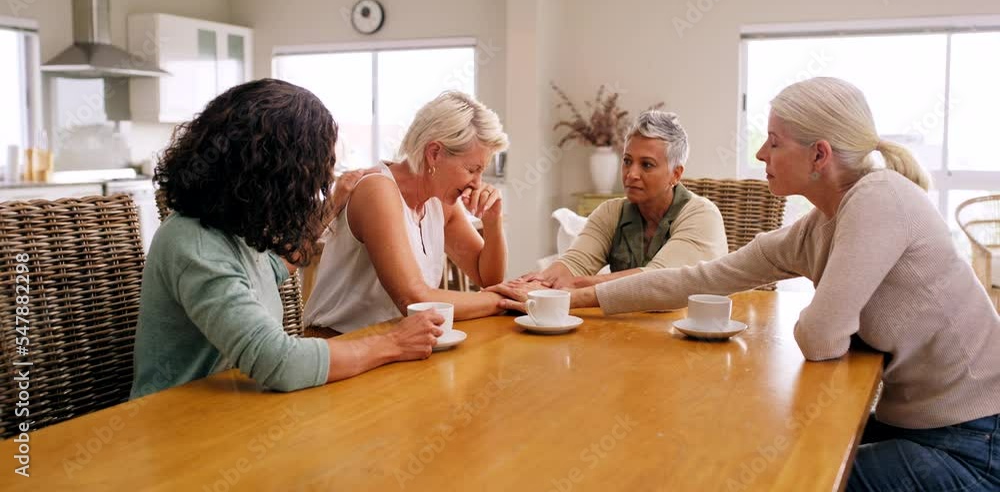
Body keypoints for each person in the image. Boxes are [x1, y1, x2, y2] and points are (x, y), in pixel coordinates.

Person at [492, 77, 1000, 491]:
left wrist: (831, 320)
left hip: (973, 443)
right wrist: (571, 298)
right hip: (917, 426)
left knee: (794, 478)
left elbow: (821, 336)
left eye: (774, 142)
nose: (760, 153)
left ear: (820, 155)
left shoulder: (879, 199)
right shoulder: (819, 224)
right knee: (762, 453)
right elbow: (699, 278)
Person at [131, 79, 445, 399]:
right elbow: (279, 362)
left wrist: (333, 203)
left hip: (237, 404)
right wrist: (393, 342)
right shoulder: (194, 243)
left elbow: (273, 266)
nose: (316, 182)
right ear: (272, 173)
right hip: (177, 422)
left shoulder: (226, 226)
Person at [304, 91, 511, 334]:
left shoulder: (441, 202)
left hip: (401, 342)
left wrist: (493, 221)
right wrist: (503, 300)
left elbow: (488, 279)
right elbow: (413, 299)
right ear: (434, 153)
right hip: (340, 344)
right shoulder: (377, 190)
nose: (477, 183)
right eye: (472, 169)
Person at [521, 110, 727, 289]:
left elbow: (657, 281)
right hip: (627, 329)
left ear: (676, 174)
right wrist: (537, 283)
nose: (631, 174)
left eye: (646, 165)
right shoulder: (611, 213)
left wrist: (574, 286)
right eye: (627, 161)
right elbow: (574, 264)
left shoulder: (702, 215)